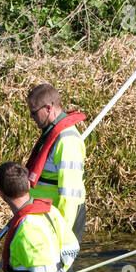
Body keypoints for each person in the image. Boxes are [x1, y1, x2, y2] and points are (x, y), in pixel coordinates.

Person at [25, 83, 87, 241]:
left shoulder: (67, 141)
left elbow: (70, 194)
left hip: (60, 221)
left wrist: (61, 234)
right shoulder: (52, 134)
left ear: (48, 108)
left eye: (33, 113)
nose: (31, 118)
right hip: (43, 214)